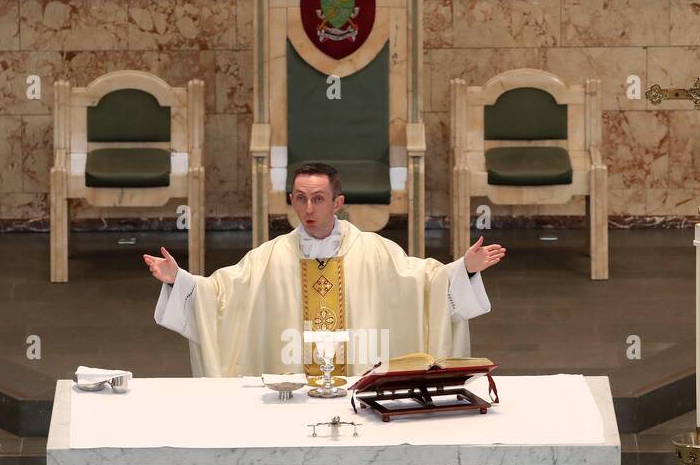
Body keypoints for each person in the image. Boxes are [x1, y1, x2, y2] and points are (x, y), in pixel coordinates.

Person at [145, 161, 504, 377]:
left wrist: (464, 270)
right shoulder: (269, 257)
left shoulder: (373, 250)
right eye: (300, 198)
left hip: (355, 389)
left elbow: (425, 284)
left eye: (318, 198)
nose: (308, 207)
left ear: (338, 202)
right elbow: (221, 295)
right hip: (293, 390)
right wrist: (181, 280)